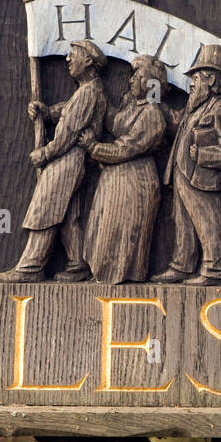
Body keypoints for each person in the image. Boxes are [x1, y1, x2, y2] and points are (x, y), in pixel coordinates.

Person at [0, 39, 106, 283]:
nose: (67, 59)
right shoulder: (86, 92)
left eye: (73, 55)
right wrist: (46, 112)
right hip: (71, 159)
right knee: (67, 215)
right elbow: (66, 112)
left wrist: (44, 153)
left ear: (87, 61)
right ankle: (77, 263)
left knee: (46, 208)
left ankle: (31, 267)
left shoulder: (88, 94)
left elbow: (68, 134)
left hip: (66, 158)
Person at [152, 44, 221, 286]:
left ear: (211, 80)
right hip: (182, 176)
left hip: (203, 180)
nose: (191, 83)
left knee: (208, 224)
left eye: (197, 78)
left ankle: (215, 269)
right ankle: (182, 264)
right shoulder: (194, 108)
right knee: (183, 223)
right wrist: (156, 100)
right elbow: (174, 126)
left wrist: (201, 153)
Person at [81, 54, 168, 284]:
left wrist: (94, 147)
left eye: (136, 77)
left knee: (124, 235)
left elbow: (125, 148)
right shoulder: (132, 104)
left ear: (150, 84)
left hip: (134, 183)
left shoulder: (152, 115)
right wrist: (99, 99)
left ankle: (122, 279)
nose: (130, 81)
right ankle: (101, 274)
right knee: (105, 229)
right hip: (115, 179)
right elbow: (117, 123)